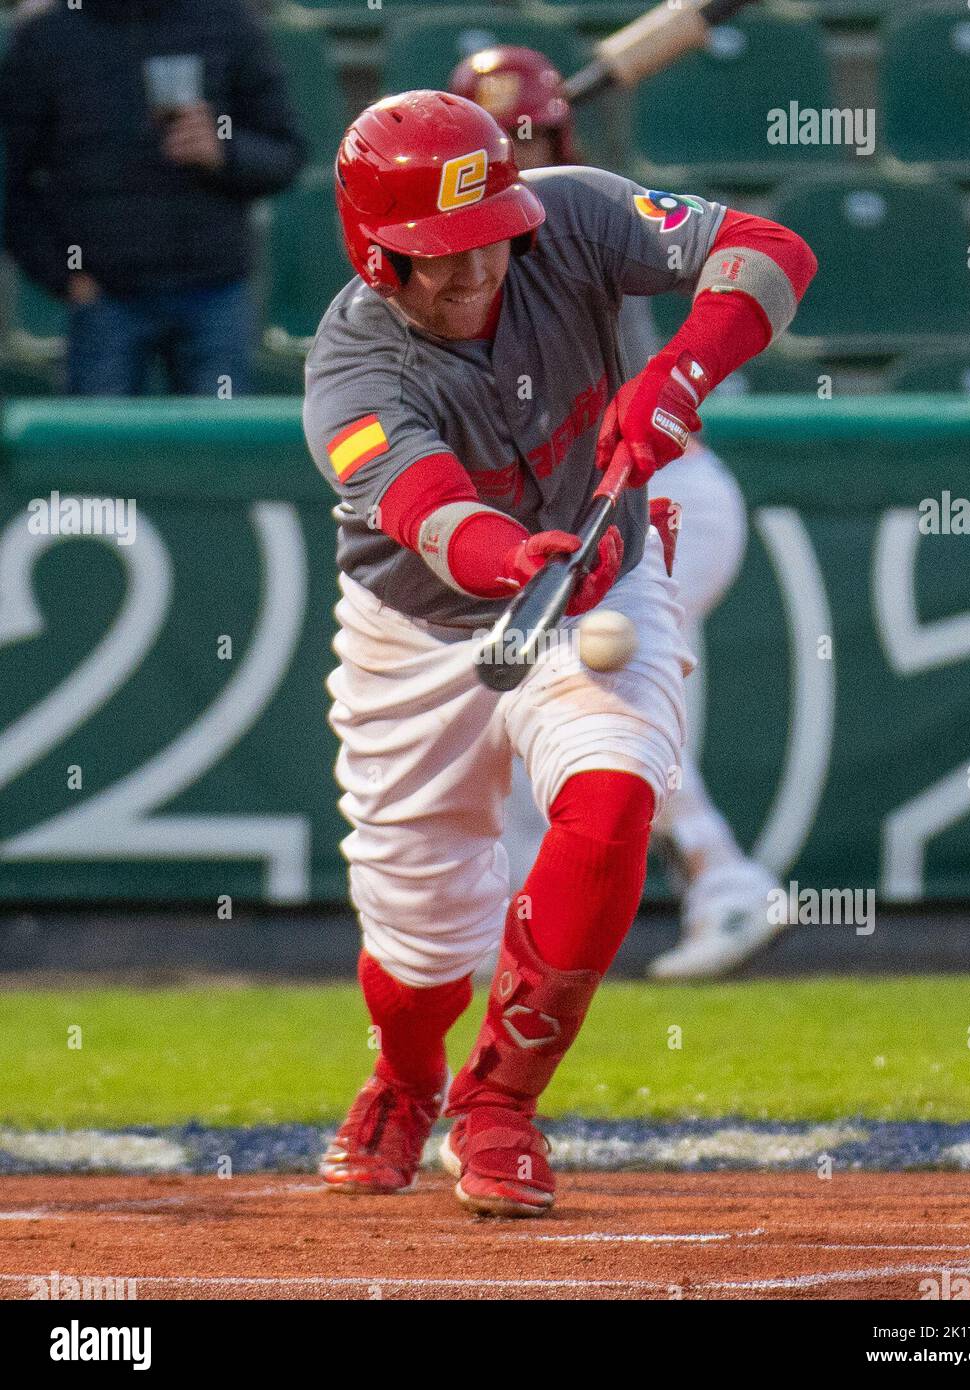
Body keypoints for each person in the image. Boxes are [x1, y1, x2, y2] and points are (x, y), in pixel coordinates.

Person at [303, 89, 816, 1216]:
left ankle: (499, 1107)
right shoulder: (350, 365)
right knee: (417, 942)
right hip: (420, 627)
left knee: (615, 792)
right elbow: (423, 509)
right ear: (371, 249)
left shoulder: (571, 212)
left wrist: (679, 371)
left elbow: (770, 249)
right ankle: (403, 1076)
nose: (472, 271)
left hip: (601, 576)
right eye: (434, 256)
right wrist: (511, 557)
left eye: (487, 238)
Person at [449, 46, 785, 979]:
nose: (517, 160)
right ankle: (529, 920)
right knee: (543, 704)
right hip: (598, 503)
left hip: (663, 491)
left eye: (533, 138)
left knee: (588, 690)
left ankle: (725, 883)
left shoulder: (578, 211)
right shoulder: (457, 247)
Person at [0, 0, 306, 396]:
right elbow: (10, 180)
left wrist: (223, 151)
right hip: (104, 298)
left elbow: (286, 154)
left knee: (219, 450)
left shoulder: (228, 23)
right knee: (100, 452)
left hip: (215, 292)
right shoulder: (49, 37)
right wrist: (65, 277)